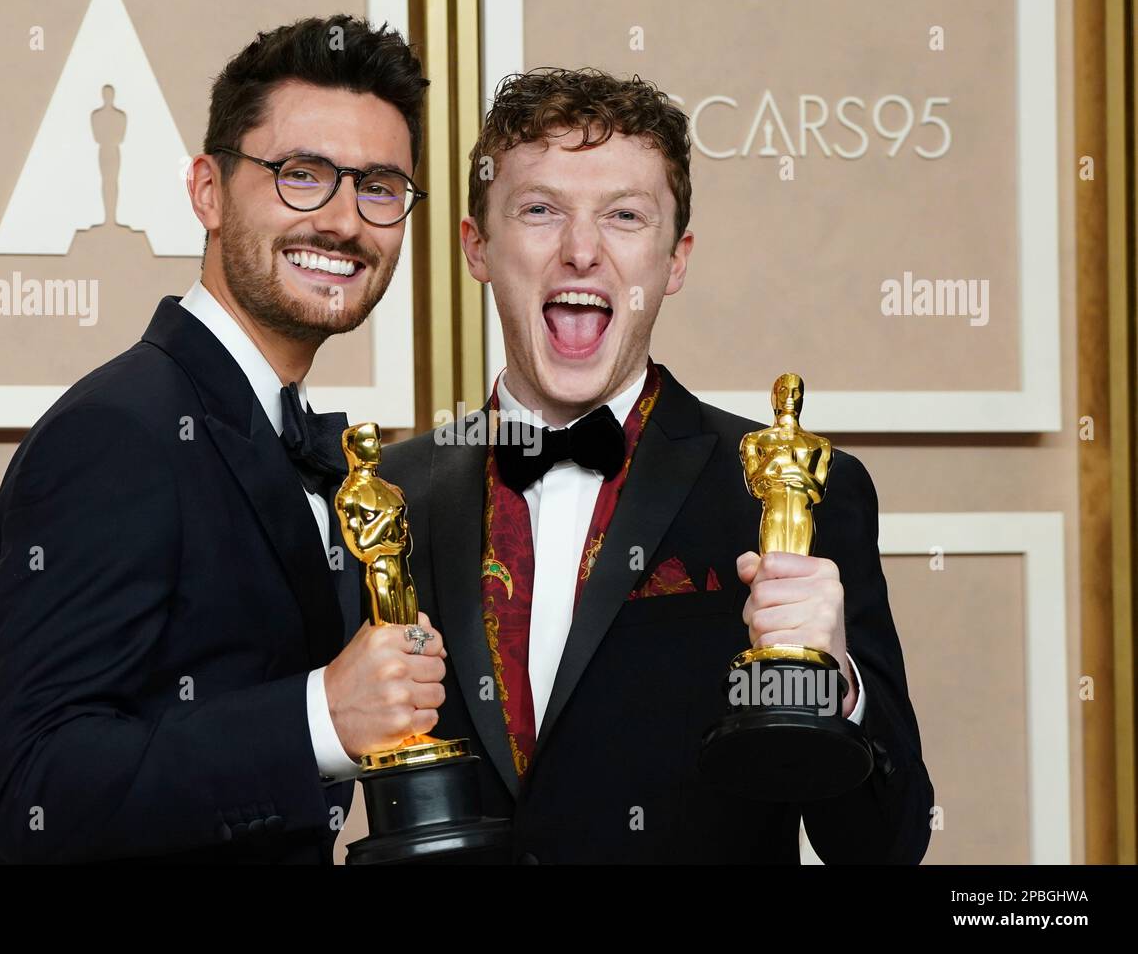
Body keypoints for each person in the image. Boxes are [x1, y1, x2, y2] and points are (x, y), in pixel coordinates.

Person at [381, 67, 934, 863]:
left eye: (625, 217)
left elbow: (883, 845)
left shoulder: (793, 492)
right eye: (540, 210)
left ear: (675, 261)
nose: (580, 251)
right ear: (478, 248)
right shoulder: (386, 498)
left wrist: (831, 685)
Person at [0, 15, 447, 864]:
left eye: (379, 186)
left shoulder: (298, 438)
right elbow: (35, 790)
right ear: (207, 190)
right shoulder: (115, 433)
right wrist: (320, 718)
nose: (344, 222)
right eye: (302, 175)